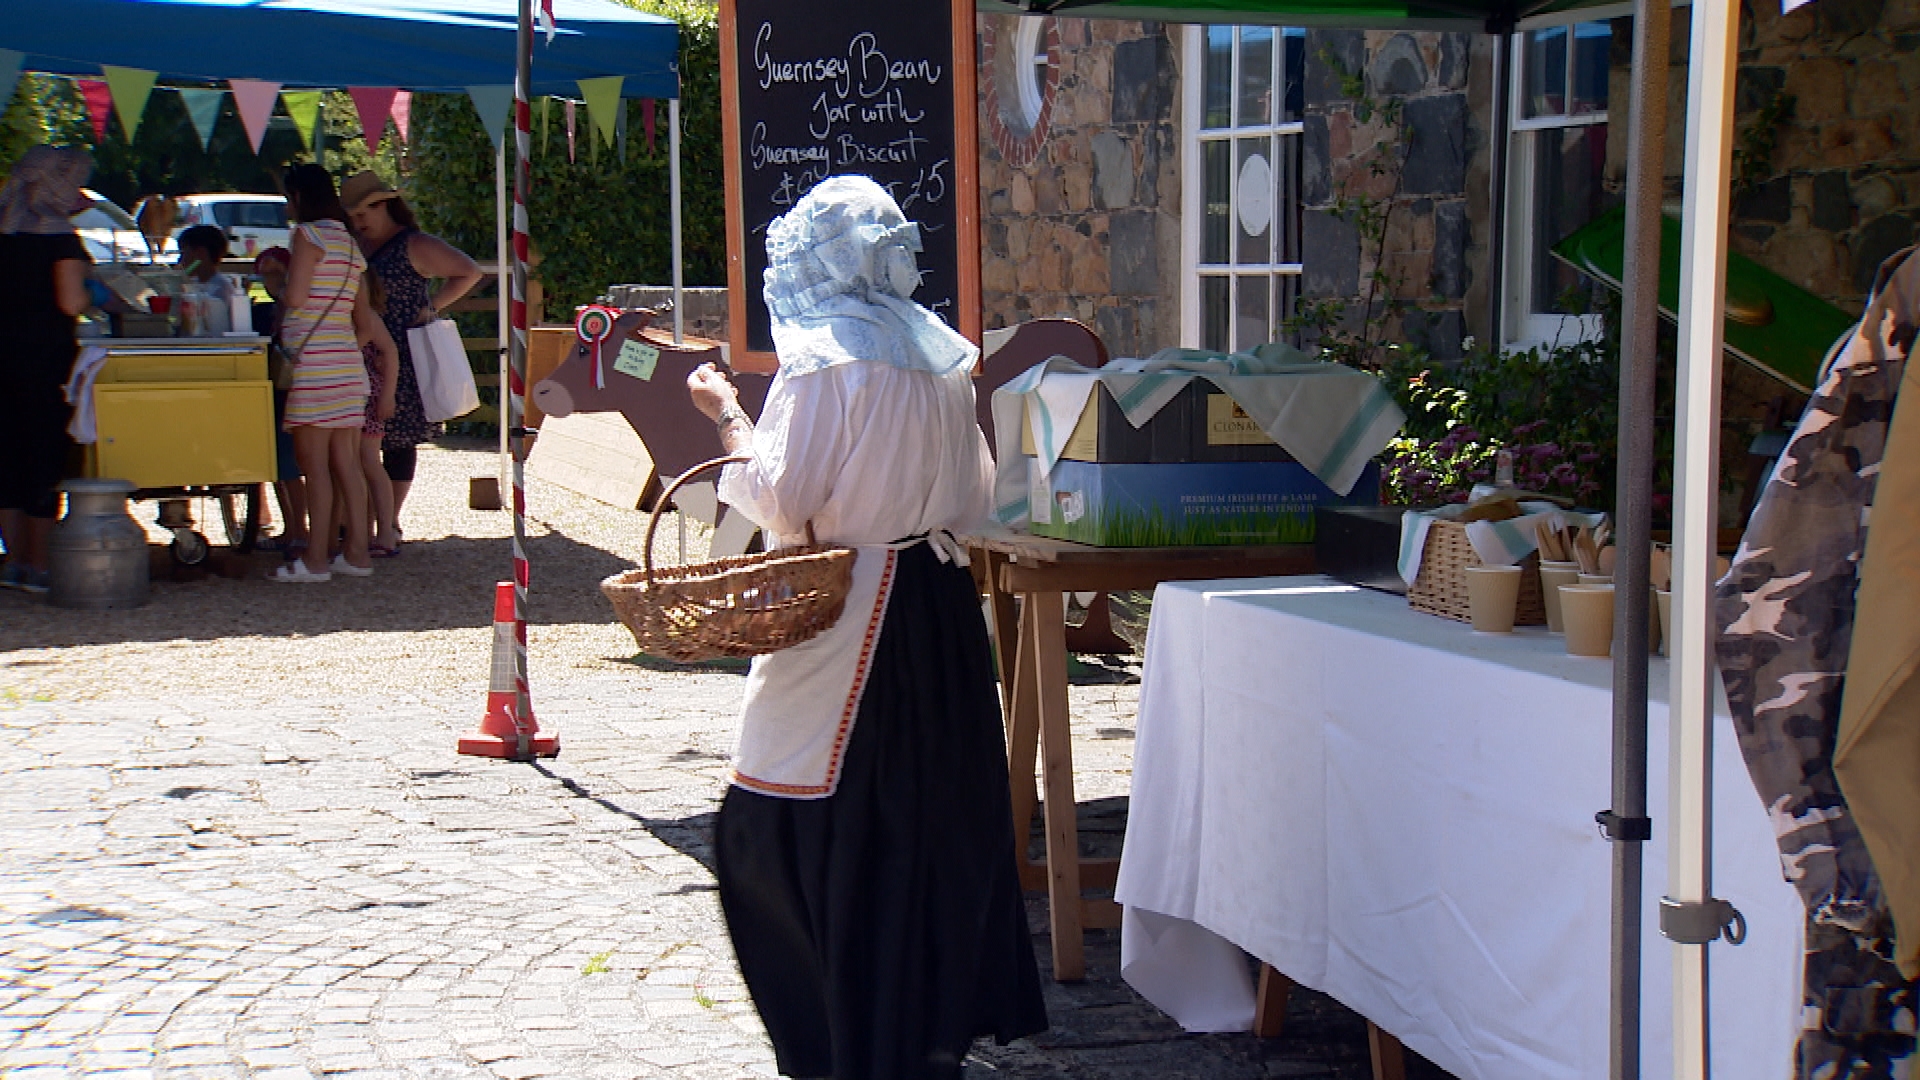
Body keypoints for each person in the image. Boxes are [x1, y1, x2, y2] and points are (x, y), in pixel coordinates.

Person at [684, 175, 1047, 1079]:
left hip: (854, 609)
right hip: (938, 604)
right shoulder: (944, 360)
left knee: (781, 820)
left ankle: (848, 1037)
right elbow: (974, 500)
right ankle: (921, 1028)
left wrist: (727, 413)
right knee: (923, 822)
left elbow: (781, 498)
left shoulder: (823, 364)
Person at [341, 170, 482, 551]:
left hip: (403, 348)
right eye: (353, 216)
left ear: (382, 205)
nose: (359, 222)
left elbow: (468, 271)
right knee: (364, 439)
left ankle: (390, 520)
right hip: (363, 349)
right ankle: (368, 520)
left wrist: (430, 307)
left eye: (363, 213)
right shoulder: (358, 244)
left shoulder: (413, 244)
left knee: (398, 439)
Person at [273, 164, 392, 583]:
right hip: (346, 365)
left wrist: (277, 288)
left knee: (316, 469)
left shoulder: (309, 236)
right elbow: (363, 323)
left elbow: (297, 295)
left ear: (300, 197)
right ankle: (357, 554)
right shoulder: (348, 243)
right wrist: (339, 348)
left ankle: (315, 561)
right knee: (348, 465)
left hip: (314, 368)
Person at [0, 146, 94, 594]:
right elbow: (71, 301)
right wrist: (97, 294)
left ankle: (12, 561)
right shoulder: (60, 238)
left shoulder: (4, 227)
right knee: (43, 457)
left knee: (6, 459)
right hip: (45, 360)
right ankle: (39, 565)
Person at [252, 246, 308, 557]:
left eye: (276, 273)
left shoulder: (290, 306)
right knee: (279, 466)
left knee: (288, 465)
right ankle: (293, 527)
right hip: (278, 389)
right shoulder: (270, 309)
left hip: (288, 390)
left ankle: (299, 529)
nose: (270, 280)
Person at [176, 224, 238, 335]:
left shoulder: (220, 289)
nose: (180, 260)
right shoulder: (195, 285)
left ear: (200, 254)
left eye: (183, 253)